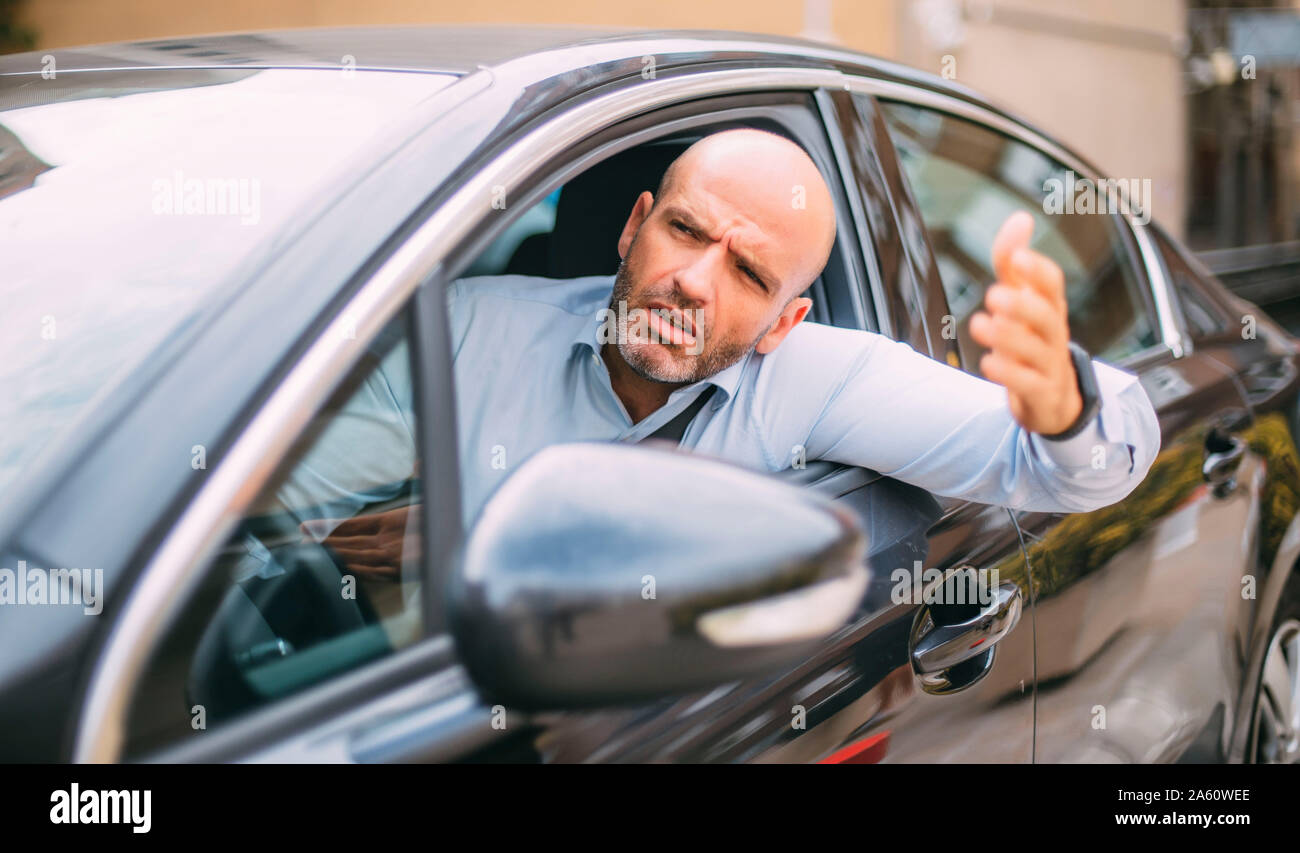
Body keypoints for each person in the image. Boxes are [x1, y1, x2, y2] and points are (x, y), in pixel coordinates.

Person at [311, 127, 1161, 577]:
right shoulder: (467, 326)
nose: (691, 281)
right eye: (684, 230)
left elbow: (1079, 469)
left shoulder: (821, 379)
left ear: (784, 323)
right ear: (634, 223)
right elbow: (278, 515)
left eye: (748, 272)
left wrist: (1066, 409)